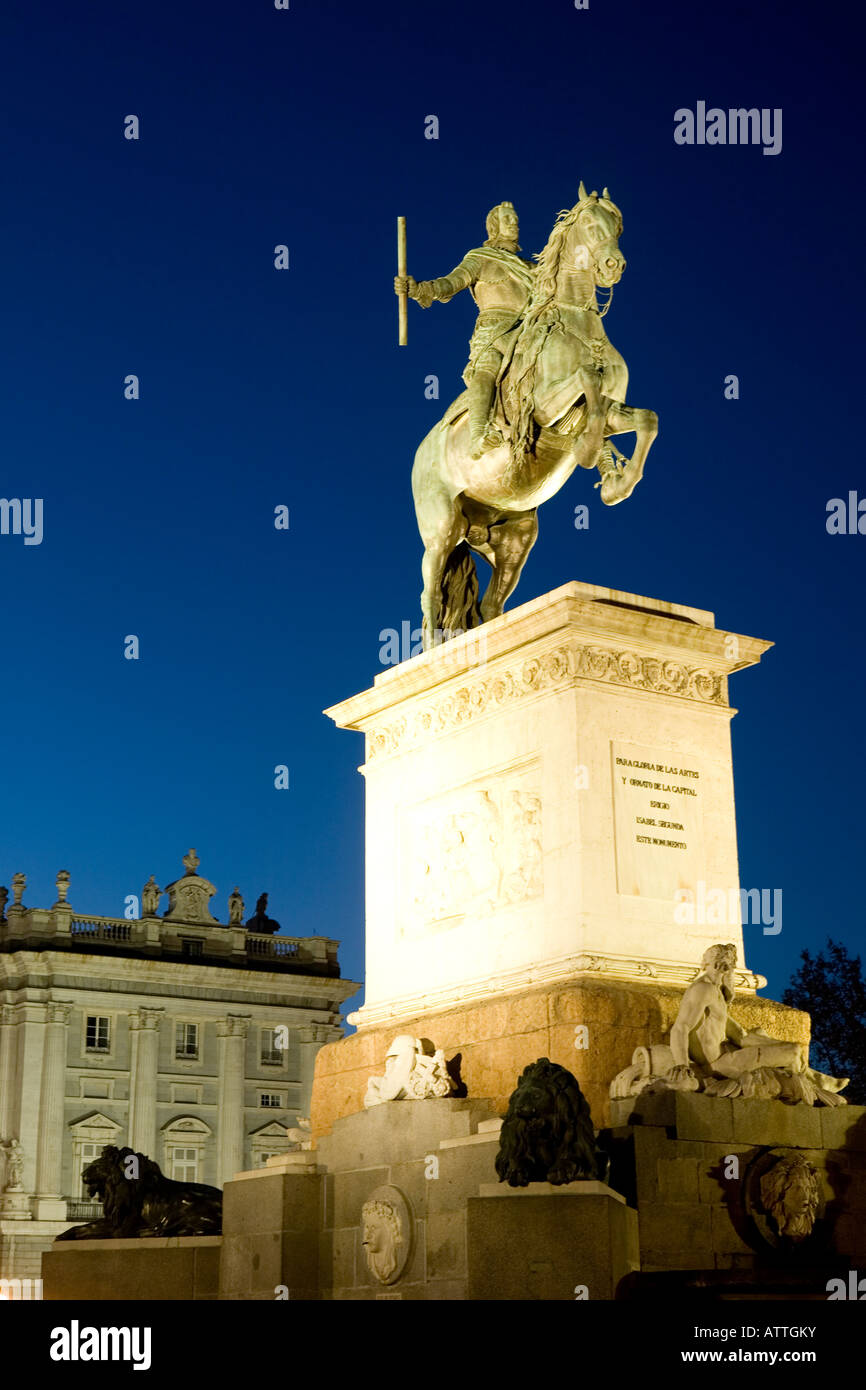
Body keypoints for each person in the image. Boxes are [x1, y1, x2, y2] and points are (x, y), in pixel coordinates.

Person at [394, 202, 533, 457]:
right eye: (507, 219)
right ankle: (479, 434)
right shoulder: (480, 258)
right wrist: (418, 290)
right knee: (488, 366)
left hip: (530, 330)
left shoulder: (532, 268)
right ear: (494, 226)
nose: (514, 223)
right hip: (495, 329)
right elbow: (449, 284)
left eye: (515, 219)